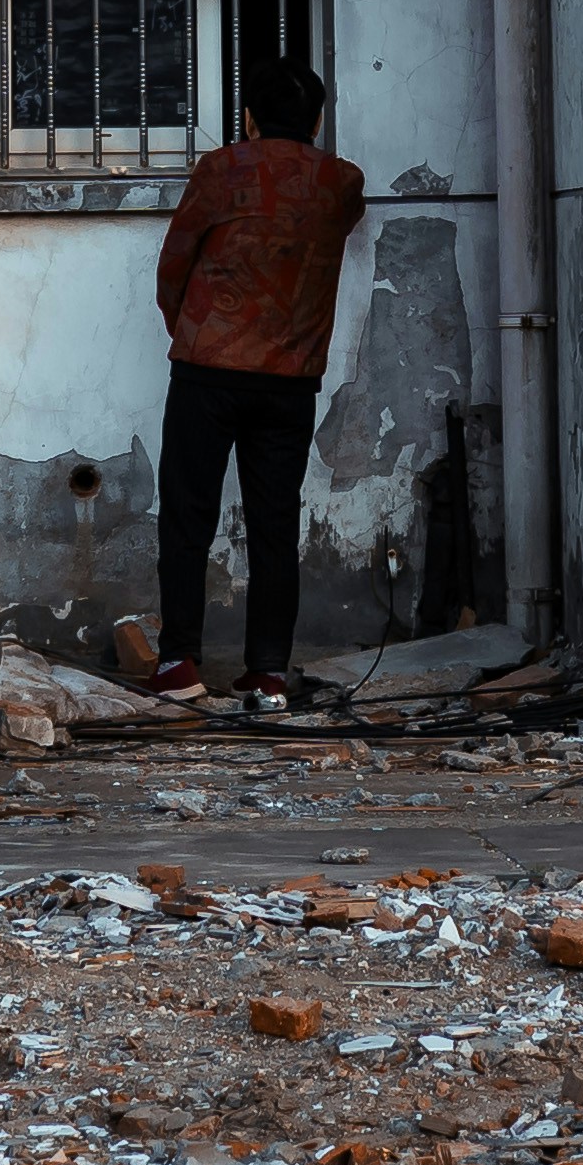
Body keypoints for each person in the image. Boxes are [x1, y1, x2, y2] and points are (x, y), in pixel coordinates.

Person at [141, 55, 362, 707]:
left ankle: (179, 664)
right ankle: (268, 672)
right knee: (274, 524)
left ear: (247, 118)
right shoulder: (342, 183)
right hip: (290, 379)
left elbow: (174, 263)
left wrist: (188, 330)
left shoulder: (220, 168)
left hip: (208, 368)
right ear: (318, 120)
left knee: (187, 514)